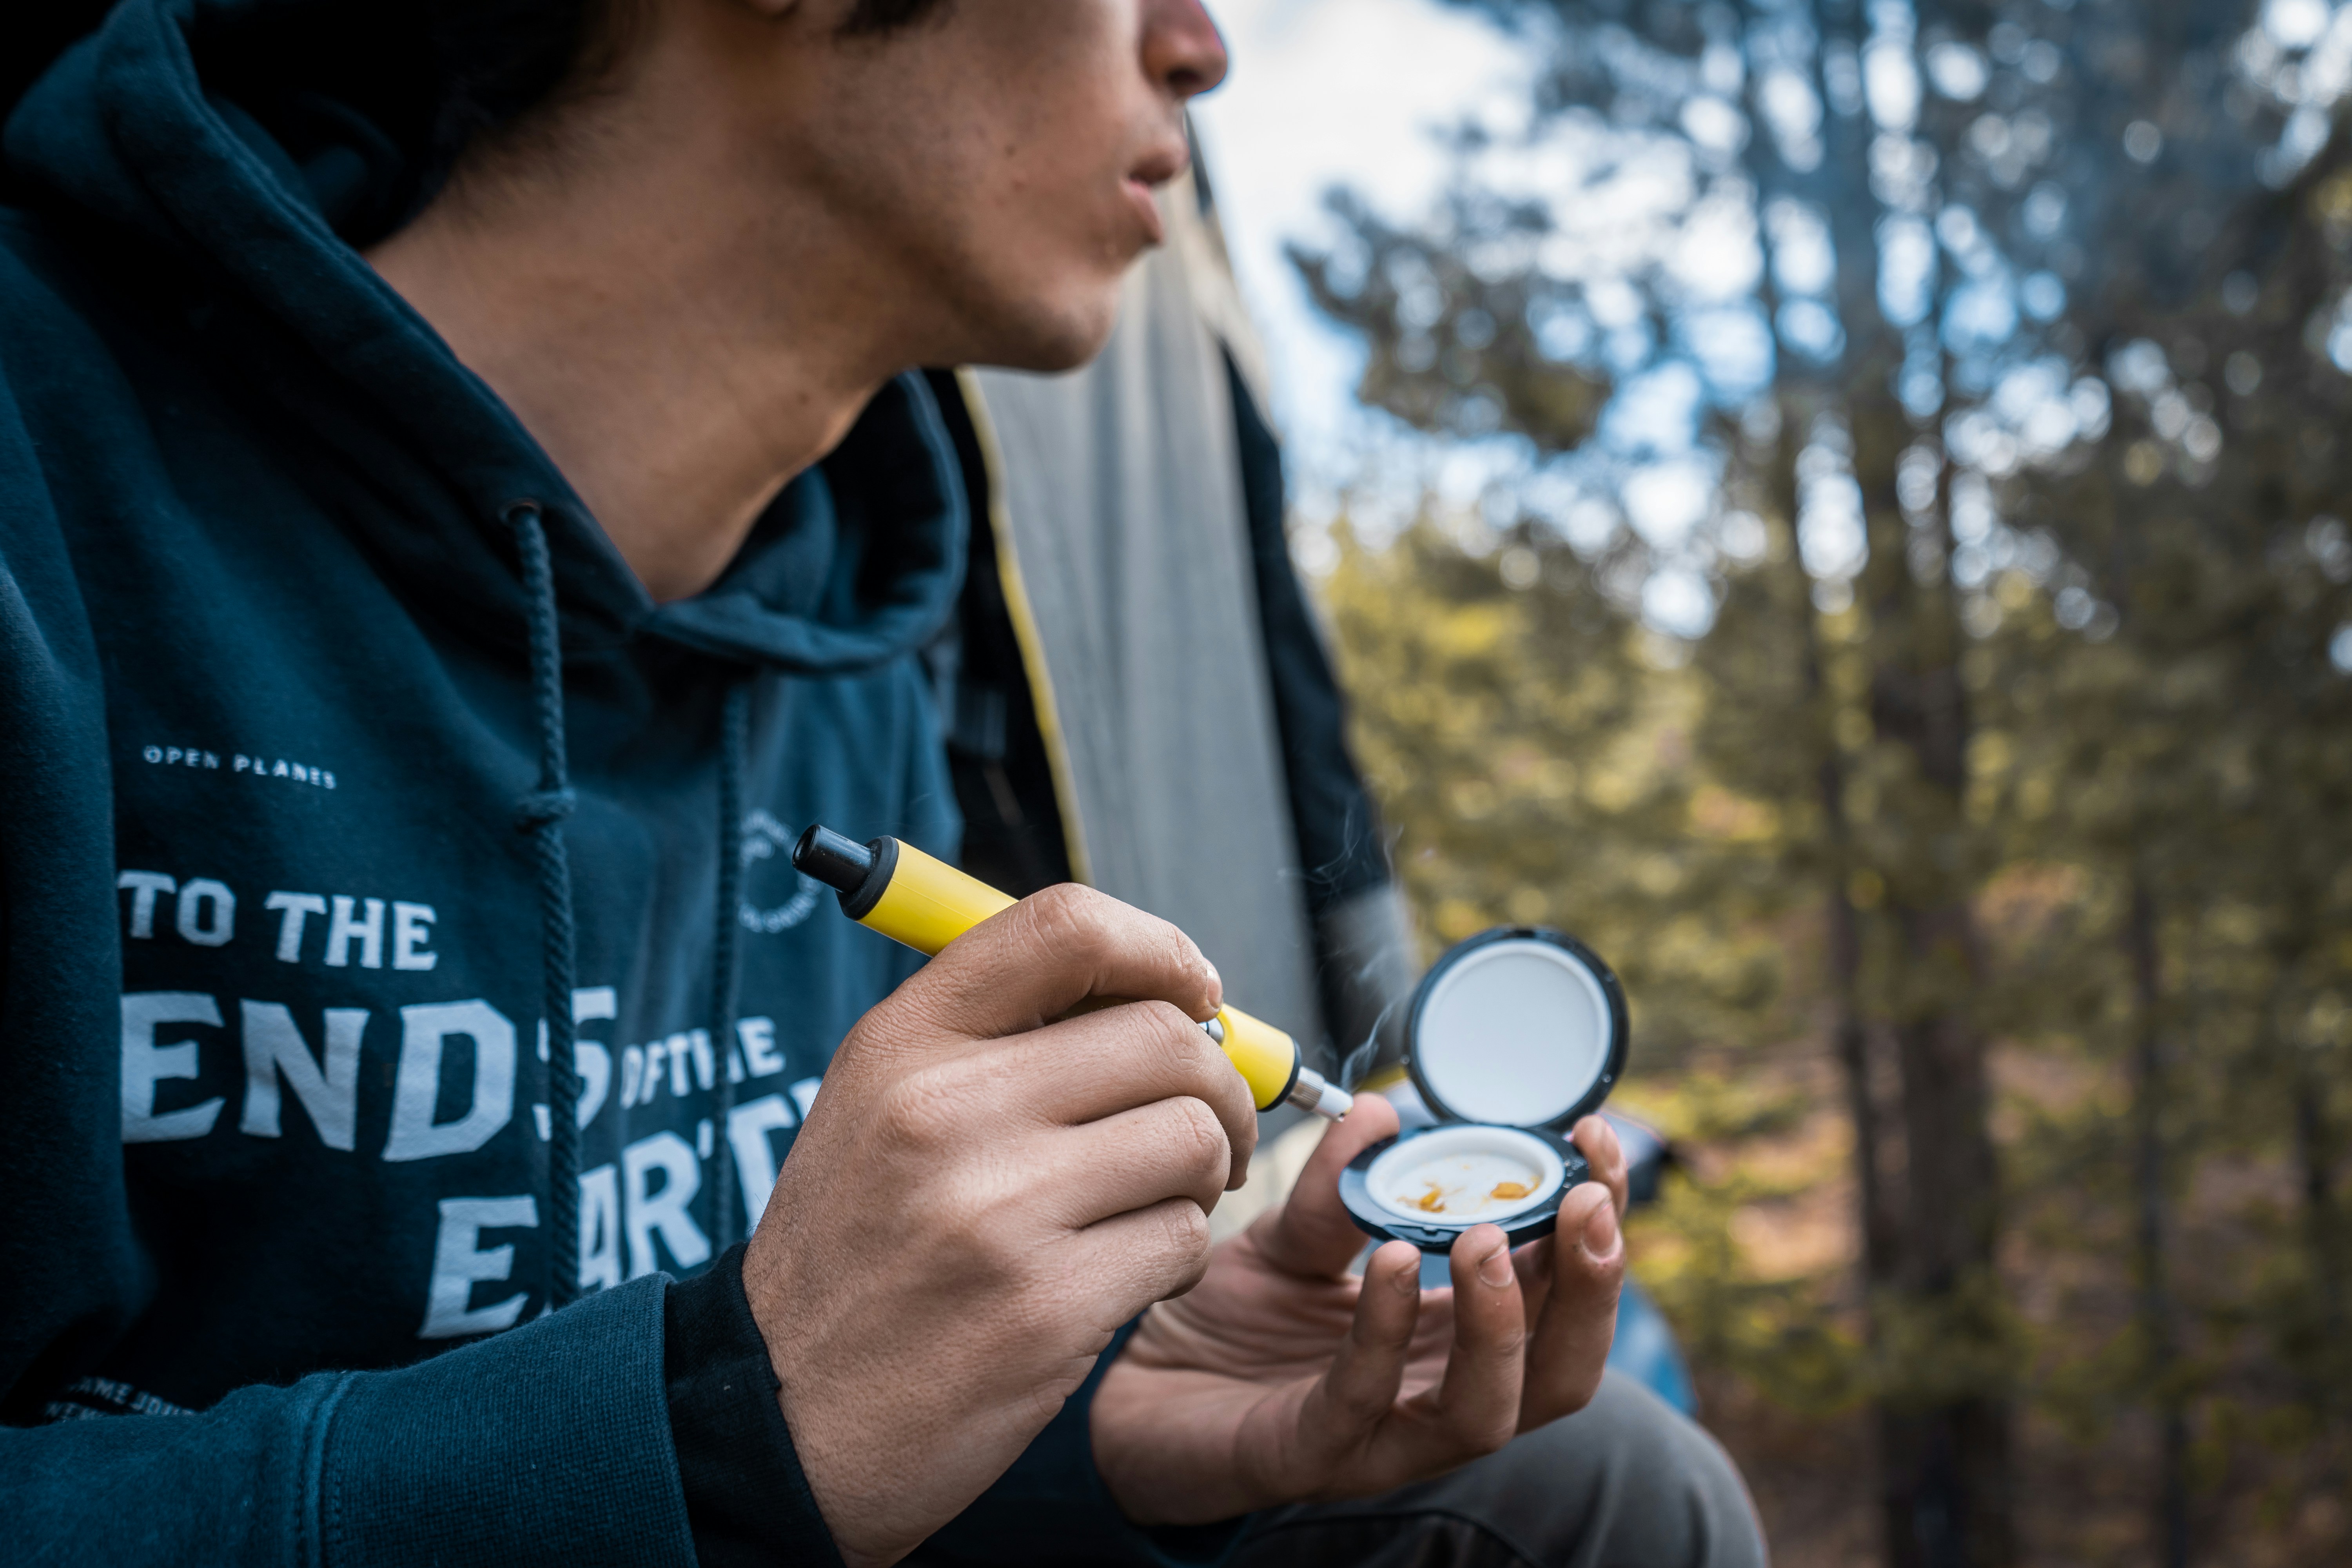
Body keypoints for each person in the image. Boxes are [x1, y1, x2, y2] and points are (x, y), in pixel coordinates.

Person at [0, 2, 1764, 1564]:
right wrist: (710, 1433)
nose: (1202, 46)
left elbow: (800, 1436)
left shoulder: (855, 638)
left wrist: (1107, 1433)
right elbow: (745, 1437)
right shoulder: (45, 485)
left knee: (1603, 1484)